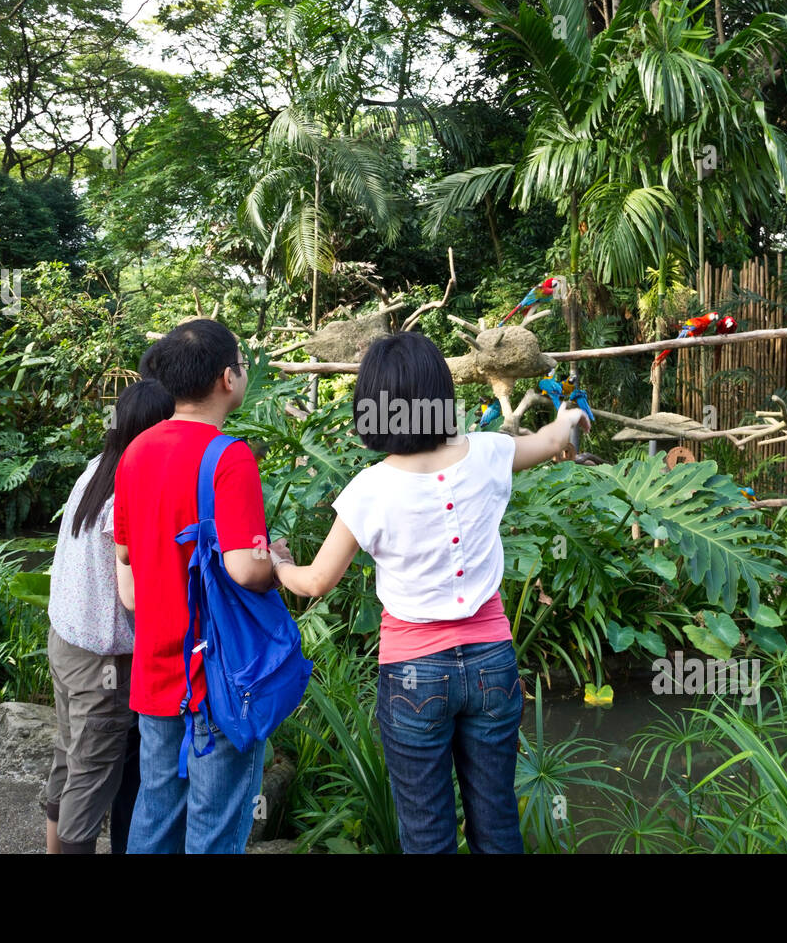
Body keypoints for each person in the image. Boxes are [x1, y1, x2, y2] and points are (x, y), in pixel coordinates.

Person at [271, 331, 589, 854]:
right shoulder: (488, 453)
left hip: (414, 676)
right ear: (441, 395)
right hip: (492, 665)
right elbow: (553, 442)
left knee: (426, 832)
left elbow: (316, 582)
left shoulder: (369, 490)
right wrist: (569, 419)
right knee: (497, 821)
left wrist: (280, 563)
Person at [113, 319, 278, 854]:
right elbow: (245, 569)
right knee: (216, 822)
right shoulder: (228, 457)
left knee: (156, 809)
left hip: (157, 667)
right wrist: (275, 559)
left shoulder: (135, 452)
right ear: (228, 378)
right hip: (216, 675)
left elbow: (131, 563)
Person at [45, 378, 174, 854]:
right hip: (104, 660)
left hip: (66, 643)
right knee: (93, 776)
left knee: (69, 758)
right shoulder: (131, 492)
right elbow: (139, 593)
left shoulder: (96, 471)